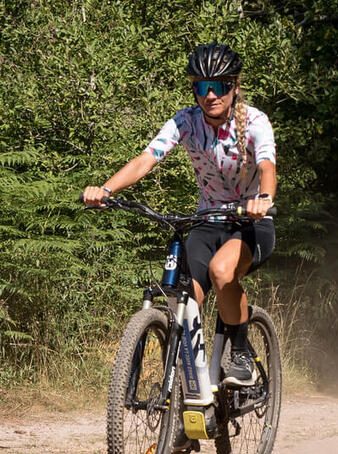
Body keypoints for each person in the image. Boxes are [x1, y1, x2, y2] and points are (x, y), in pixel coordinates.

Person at [83, 41, 276, 387]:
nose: (211, 95)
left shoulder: (256, 122)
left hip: (250, 225)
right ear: (195, 90)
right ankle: (189, 397)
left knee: (222, 271)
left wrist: (263, 198)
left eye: (219, 86)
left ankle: (242, 352)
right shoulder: (185, 121)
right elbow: (147, 159)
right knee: (183, 303)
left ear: (233, 87)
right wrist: (106, 189)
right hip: (207, 224)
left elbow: (267, 166)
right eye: (203, 87)